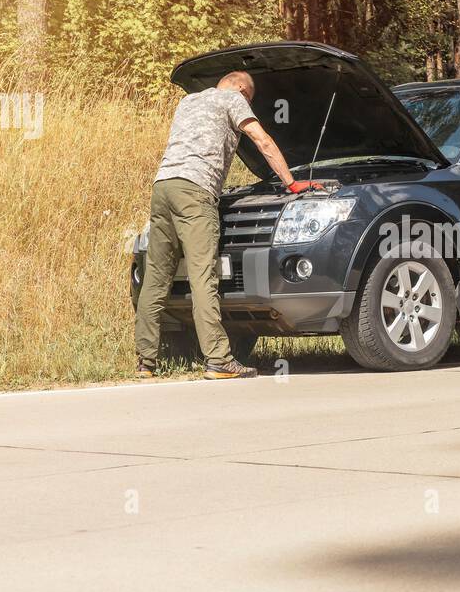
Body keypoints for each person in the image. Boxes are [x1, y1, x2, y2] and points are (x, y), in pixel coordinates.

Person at [134, 70, 323, 380]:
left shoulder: (189, 101)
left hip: (163, 186)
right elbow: (262, 141)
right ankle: (219, 360)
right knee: (203, 277)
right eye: (249, 97)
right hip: (195, 192)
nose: (247, 101)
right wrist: (291, 183)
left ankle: (145, 362)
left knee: (156, 277)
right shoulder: (234, 99)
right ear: (240, 88)